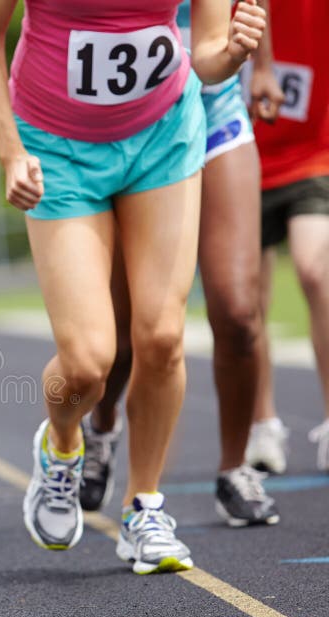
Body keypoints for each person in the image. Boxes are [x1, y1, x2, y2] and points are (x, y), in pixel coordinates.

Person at [0, 0, 266, 573]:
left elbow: (203, 58)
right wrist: (10, 150)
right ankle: (60, 445)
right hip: (55, 145)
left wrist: (230, 54)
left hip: (163, 136)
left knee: (162, 336)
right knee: (86, 364)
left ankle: (143, 509)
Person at [80, 0, 283, 528]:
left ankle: (234, 467)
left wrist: (260, 66)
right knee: (128, 336)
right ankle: (101, 429)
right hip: (142, 125)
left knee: (239, 313)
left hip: (216, 111)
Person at [245, 0, 329, 475]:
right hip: (243, 154)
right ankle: (263, 422)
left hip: (312, 152)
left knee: (314, 270)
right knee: (247, 298)